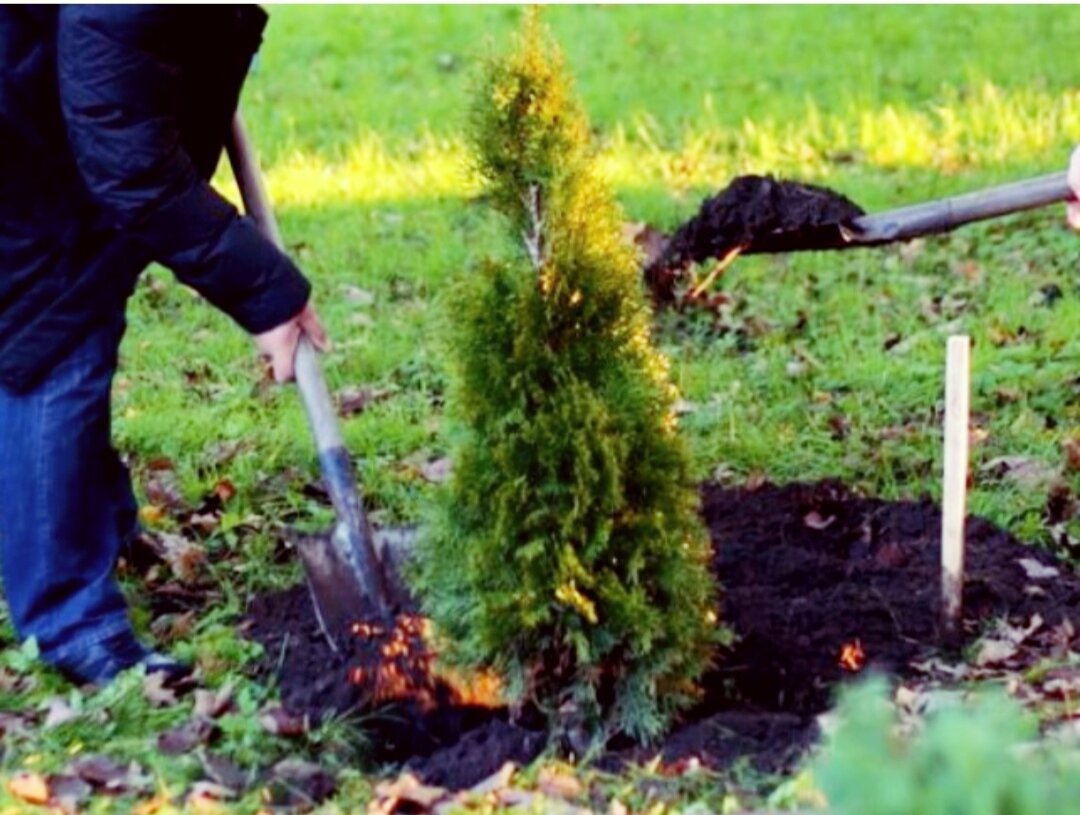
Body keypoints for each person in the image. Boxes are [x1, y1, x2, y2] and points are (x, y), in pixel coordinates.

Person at [0, 5, 328, 685]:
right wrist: (267, 293)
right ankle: (70, 618)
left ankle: (95, 519)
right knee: (54, 338)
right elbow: (135, 169)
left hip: (52, 120)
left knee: (75, 303)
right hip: (25, 153)